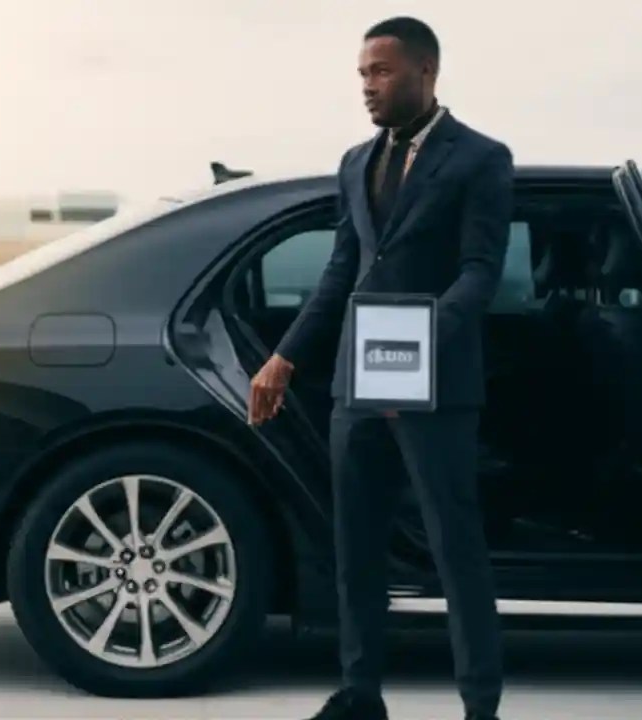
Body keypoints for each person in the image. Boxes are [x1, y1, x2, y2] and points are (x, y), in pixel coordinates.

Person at [247, 16, 514, 720]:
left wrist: (416, 351)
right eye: (363, 73)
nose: (368, 85)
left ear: (426, 72)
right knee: (355, 548)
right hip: (354, 387)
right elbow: (342, 271)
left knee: (456, 552)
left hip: (437, 387)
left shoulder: (481, 159)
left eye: (382, 71)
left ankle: (480, 705)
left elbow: (480, 274)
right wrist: (285, 356)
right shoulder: (354, 161)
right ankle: (361, 696)